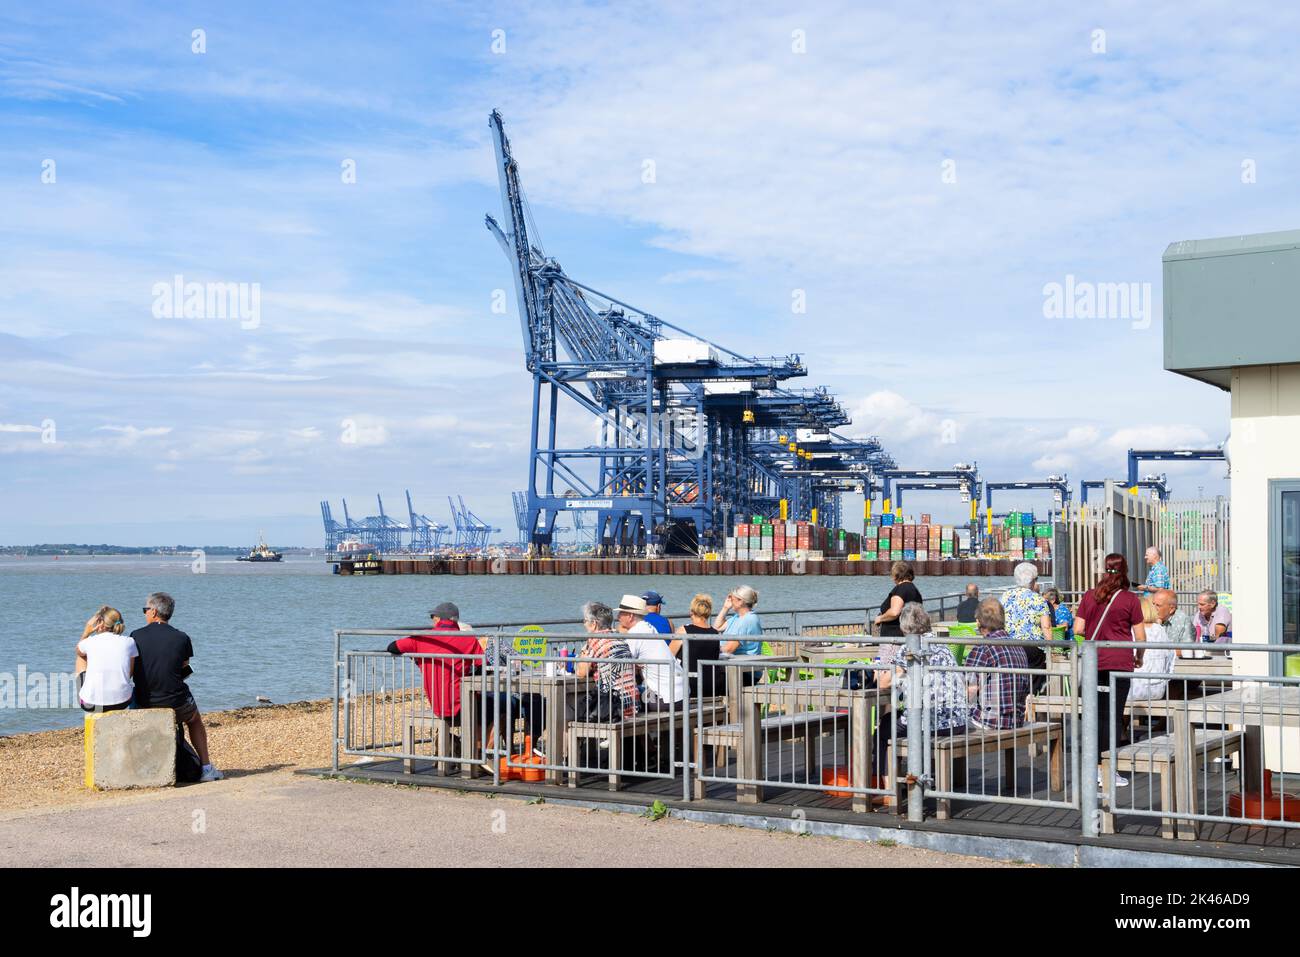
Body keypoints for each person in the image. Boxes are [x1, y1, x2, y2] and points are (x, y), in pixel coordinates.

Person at [131, 592, 223, 782]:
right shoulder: (182, 637)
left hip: (145, 701)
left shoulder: (135, 636)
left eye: (145, 610)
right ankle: (206, 768)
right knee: (195, 720)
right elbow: (183, 668)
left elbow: (132, 670)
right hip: (175, 701)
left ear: (154, 612)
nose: (145, 613)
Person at [1074, 554, 1147, 786]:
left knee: (1094, 716)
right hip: (1120, 662)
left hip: (1094, 662)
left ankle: (1093, 767)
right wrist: (1139, 657)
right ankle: (1108, 769)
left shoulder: (1089, 596)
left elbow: (1078, 628)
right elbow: (1141, 637)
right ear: (1125, 571)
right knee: (1114, 717)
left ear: (1104, 570)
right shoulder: (1130, 599)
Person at [875, 604, 970, 767]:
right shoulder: (944, 646)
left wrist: (879, 674)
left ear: (905, 628)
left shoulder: (910, 647)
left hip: (932, 723)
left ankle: (887, 786)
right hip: (958, 721)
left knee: (884, 728)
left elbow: (884, 682)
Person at [386, 601, 483, 719]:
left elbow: (392, 647)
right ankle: (478, 737)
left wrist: (417, 658)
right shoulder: (469, 639)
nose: (432, 620)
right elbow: (484, 667)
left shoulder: (423, 638)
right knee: (502, 705)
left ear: (438, 618)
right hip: (463, 704)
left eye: (432, 617)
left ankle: (459, 738)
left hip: (437, 705)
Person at [963, 598, 1030, 730]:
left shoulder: (983, 648)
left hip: (989, 721)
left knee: (944, 724)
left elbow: (970, 690)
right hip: (1016, 720)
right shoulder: (1018, 647)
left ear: (978, 621)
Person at [571, 601, 639, 721]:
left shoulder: (594, 640)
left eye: (585, 621)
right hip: (633, 702)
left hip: (613, 706)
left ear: (594, 624)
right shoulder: (619, 638)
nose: (584, 624)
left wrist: (583, 655)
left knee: (570, 711)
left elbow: (581, 673)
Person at [619, 595, 686, 710]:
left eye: (621, 613)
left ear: (630, 616)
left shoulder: (635, 634)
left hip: (666, 700)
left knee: (621, 701)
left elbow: (621, 665)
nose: (618, 617)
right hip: (683, 696)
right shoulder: (649, 628)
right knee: (639, 690)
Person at [999, 562, 1053, 689]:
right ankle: (1030, 698)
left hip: (1009, 645)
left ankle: (1015, 700)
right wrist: (1051, 648)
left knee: (1012, 677)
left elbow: (999, 620)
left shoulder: (1005, 596)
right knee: (1034, 677)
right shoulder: (1038, 599)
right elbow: (1046, 627)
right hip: (1032, 647)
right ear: (1033, 581)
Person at [76, 606, 136, 714]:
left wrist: (86, 631)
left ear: (101, 624)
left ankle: (89, 690)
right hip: (122, 702)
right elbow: (129, 674)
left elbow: (78, 650)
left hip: (91, 705)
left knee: (81, 656)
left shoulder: (90, 641)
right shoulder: (129, 642)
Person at [670, 594, 724, 698]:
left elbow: (669, 655)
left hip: (690, 685)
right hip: (713, 685)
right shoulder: (715, 633)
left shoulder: (684, 631)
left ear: (692, 612)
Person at [713, 584, 764, 686]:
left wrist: (708, 648)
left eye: (732, 598)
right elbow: (717, 628)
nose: (730, 600)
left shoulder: (748, 620)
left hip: (746, 672)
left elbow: (729, 649)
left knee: (704, 681)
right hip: (734, 668)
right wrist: (725, 608)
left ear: (741, 601)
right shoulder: (737, 617)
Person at [1129, 596, 1175, 704]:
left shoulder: (1132, 630)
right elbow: (1171, 659)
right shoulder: (1160, 629)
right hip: (1158, 689)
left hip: (1133, 689)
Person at [874, 562, 921, 638]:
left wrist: (880, 618)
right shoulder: (914, 589)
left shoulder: (900, 589)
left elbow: (894, 612)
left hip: (894, 637)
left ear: (897, 575)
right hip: (910, 636)